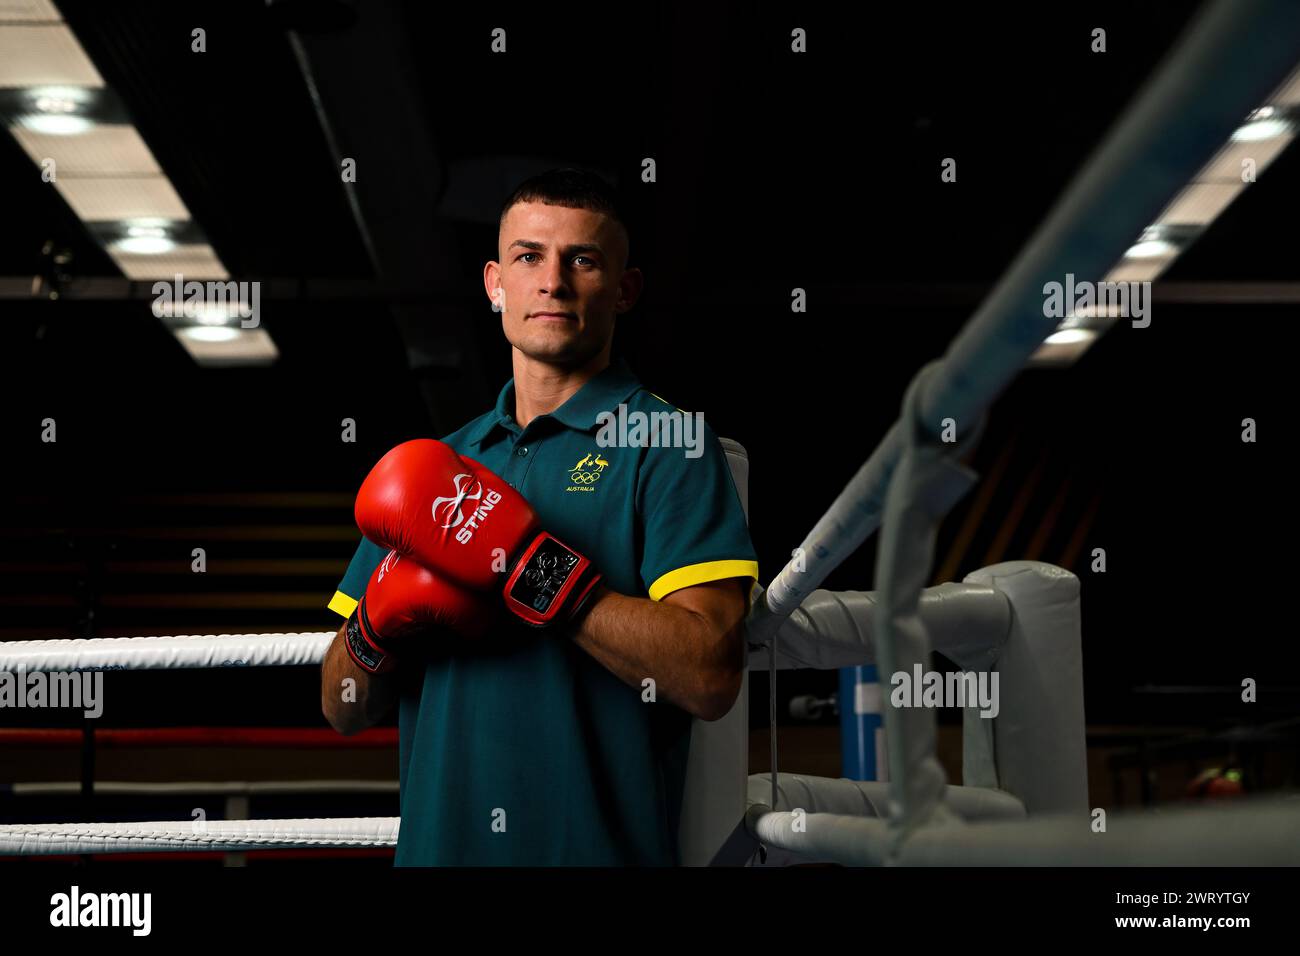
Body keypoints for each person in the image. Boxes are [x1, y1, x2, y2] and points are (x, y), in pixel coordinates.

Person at [321, 168, 758, 865]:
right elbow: (343, 707)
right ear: (496, 284)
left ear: (624, 289)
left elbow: (709, 675)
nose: (552, 281)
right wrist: (376, 623)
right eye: (528, 257)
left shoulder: (669, 445)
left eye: (582, 260)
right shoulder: (440, 464)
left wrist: (532, 570)